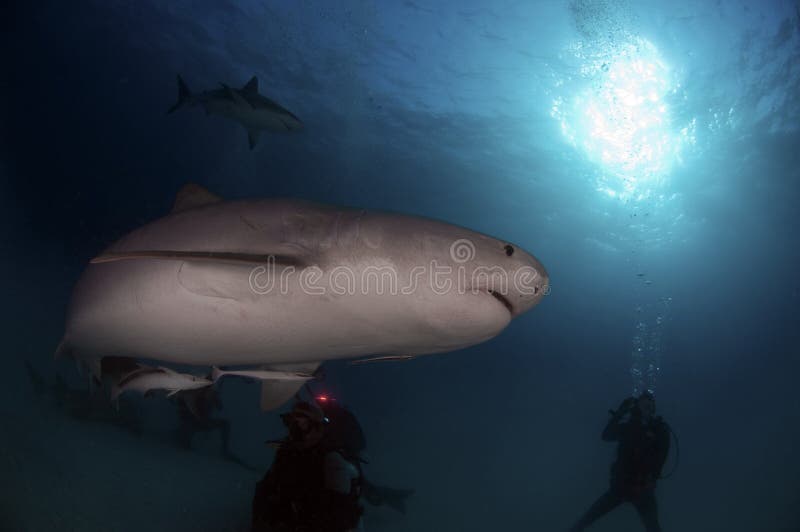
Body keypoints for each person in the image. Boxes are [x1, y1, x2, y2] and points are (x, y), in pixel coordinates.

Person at [252, 400, 364, 532]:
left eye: (302, 424)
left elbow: (338, 515)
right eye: (292, 423)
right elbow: (267, 489)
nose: (295, 430)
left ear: (318, 428)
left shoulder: (331, 460)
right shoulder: (286, 453)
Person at [570, 391, 670, 532]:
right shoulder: (629, 427)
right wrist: (621, 412)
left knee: (653, 528)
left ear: (653, 408)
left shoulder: (659, 429)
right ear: (637, 407)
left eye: (650, 404)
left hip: (643, 491)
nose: (647, 406)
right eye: (643, 403)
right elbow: (606, 435)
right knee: (586, 519)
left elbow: (663, 454)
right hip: (620, 487)